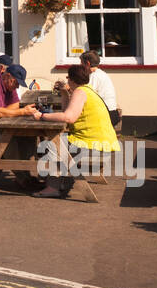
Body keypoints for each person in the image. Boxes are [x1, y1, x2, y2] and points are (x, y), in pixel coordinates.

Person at [29, 63, 119, 199]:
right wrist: (64, 92)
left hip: (92, 143)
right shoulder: (87, 90)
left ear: (72, 79)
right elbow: (67, 112)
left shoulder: (80, 92)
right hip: (99, 141)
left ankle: (52, 187)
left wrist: (42, 116)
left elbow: (68, 117)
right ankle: (56, 182)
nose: (67, 80)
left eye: (68, 78)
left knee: (54, 146)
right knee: (55, 145)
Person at [80, 51, 120, 131]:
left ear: (87, 63)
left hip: (105, 114)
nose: (80, 66)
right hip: (112, 113)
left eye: (81, 63)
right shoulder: (101, 73)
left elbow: (86, 95)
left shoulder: (94, 76)